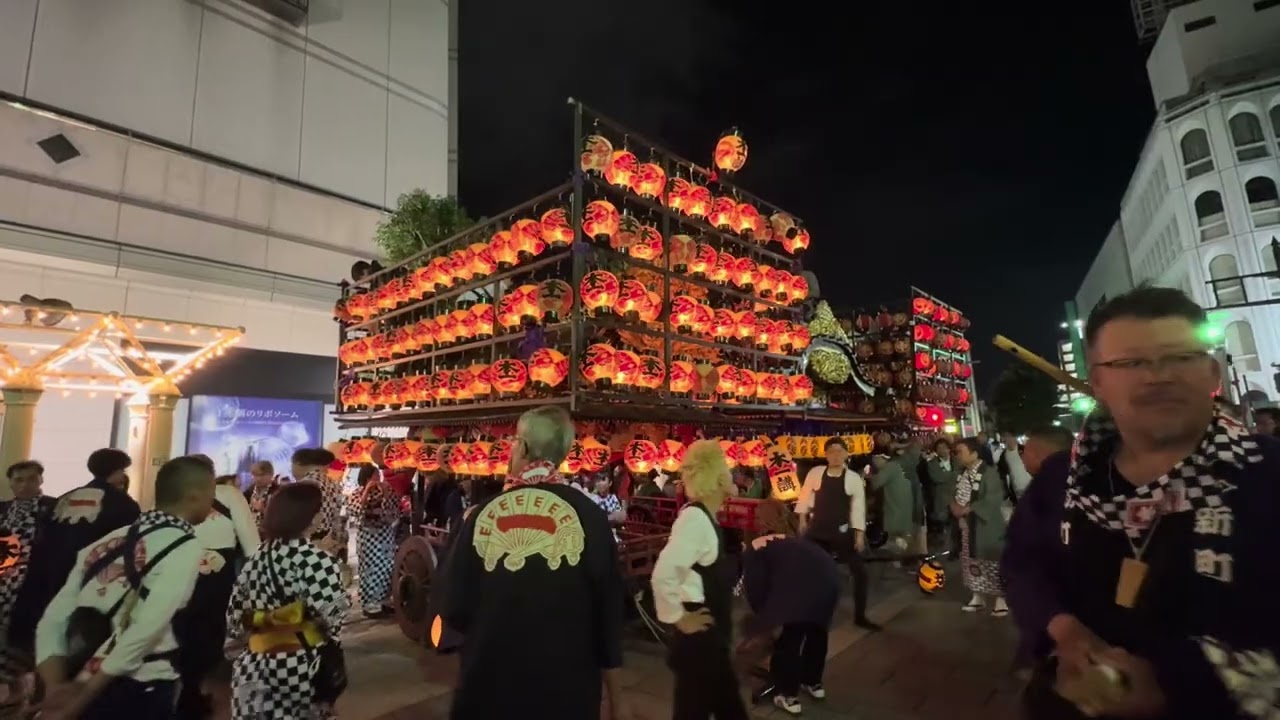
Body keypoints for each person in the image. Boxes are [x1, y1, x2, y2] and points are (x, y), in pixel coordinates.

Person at [1004, 286, 1280, 720]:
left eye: (1179, 357)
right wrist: (1062, 628)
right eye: (1131, 363)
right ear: (1098, 381)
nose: (1158, 376)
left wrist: (1181, 681)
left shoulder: (1266, 474)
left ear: (1212, 372)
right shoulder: (1063, 477)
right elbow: (1023, 564)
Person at [440, 407, 629, 720]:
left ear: (523, 448)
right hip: (567, 694)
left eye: (515, 441)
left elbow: (454, 608)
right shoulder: (592, 517)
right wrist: (618, 700)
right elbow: (608, 616)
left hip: (490, 691)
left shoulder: (479, 516)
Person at [34, 455, 214, 719]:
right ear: (194, 497)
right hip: (139, 684)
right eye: (211, 494)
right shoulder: (184, 546)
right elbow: (147, 628)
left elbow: (53, 619)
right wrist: (82, 697)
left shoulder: (111, 539)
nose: (212, 503)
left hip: (79, 672)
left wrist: (55, 688)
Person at [226, 482, 349, 719]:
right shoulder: (318, 561)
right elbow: (331, 620)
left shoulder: (256, 558)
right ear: (313, 518)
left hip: (253, 666)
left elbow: (234, 618)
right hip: (299, 666)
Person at [8, 449, 140, 667]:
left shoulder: (65, 498)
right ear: (117, 471)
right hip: (91, 586)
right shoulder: (122, 504)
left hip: (49, 582)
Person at [652, 440, 748, 720]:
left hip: (709, 642)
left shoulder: (705, 518)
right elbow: (664, 574)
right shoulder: (695, 519)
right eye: (728, 470)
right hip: (700, 642)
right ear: (719, 477)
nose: (733, 475)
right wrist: (679, 618)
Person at [739, 500, 839, 716]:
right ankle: (812, 682)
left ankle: (787, 694)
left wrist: (763, 621)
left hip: (801, 591)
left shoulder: (757, 546)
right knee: (817, 632)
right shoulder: (793, 539)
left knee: (790, 641)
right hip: (829, 580)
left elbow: (756, 590)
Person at [178, 473, 260, 717]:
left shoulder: (172, 494)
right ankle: (191, 692)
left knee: (178, 630)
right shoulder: (229, 494)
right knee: (206, 631)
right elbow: (251, 543)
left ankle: (180, 691)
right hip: (215, 572)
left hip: (174, 564)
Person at [1001, 427, 1075, 674]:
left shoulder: (1048, 485)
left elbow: (1020, 557)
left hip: (1059, 619)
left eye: (1025, 452)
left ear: (1034, 453)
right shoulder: (1094, 474)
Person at [795, 437, 876, 630]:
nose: (836, 455)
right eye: (831, 451)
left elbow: (858, 508)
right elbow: (805, 495)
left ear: (847, 454)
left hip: (842, 532)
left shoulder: (853, 478)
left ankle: (860, 616)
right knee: (810, 573)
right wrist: (802, 519)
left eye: (840, 451)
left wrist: (858, 534)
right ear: (826, 455)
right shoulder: (816, 473)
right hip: (817, 531)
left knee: (860, 574)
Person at [0, 461, 56, 706]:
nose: (24, 485)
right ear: (10, 482)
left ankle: (39, 696)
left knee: (35, 640)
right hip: (5, 584)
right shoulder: (3, 509)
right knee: (6, 640)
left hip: (36, 583)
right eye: (18, 479)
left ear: (40, 481)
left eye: (31, 479)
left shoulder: (52, 509)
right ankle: (14, 687)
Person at [950, 437, 1009, 617]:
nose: (957, 455)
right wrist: (954, 507)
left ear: (974, 453)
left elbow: (994, 497)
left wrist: (969, 509)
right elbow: (952, 493)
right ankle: (977, 596)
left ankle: (1001, 600)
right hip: (967, 525)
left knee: (992, 559)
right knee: (970, 558)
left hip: (986, 525)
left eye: (960, 451)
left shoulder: (989, 472)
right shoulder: (960, 472)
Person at [351, 464, 399, 618]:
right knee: (370, 570)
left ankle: (383, 601)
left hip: (385, 534)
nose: (378, 478)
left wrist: (385, 494)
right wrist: (366, 491)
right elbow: (356, 510)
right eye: (375, 476)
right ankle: (370, 605)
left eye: (378, 475)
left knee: (387, 568)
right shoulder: (356, 493)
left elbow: (393, 512)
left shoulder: (387, 490)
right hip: (367, 536)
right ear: (366, 478)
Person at [292, 448, 346, 559]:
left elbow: (297, 518)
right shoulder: (335, 485)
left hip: (307, 542)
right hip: (328, 541)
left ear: (298, 464)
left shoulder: (304, 484)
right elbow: (338, 517)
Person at [869, 451, 923, 560]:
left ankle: (902, 556)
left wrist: (866, 476)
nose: (874, 463)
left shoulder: (890, 467)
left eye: (875, 460)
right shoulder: (897, 466)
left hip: (896, 505)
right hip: (904, 503)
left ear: (881, 458)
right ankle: (903, 554)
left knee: (897, 531)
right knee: (902, 530)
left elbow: (876, 483)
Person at [926, 439, 960, 556]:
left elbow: (960, 475)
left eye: (944, 447)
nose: (942, 450)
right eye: (939, 448)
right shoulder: (932, 464)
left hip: (957, 498)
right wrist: (953, 476)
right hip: (941, 499)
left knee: (958, 526)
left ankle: (958, 549)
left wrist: (949, 476)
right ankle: (948, 550)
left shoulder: (957, 461)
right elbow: (937, 477)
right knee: (944, 525)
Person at [244, 461, 281, 531]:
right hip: (249, 532)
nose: (258, 479)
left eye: (262, 475)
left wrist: (263, 510)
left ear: (271, 474)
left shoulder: (278, 492)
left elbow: (282, 517)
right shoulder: (249, 491)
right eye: (255, 475)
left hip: (269, 533)